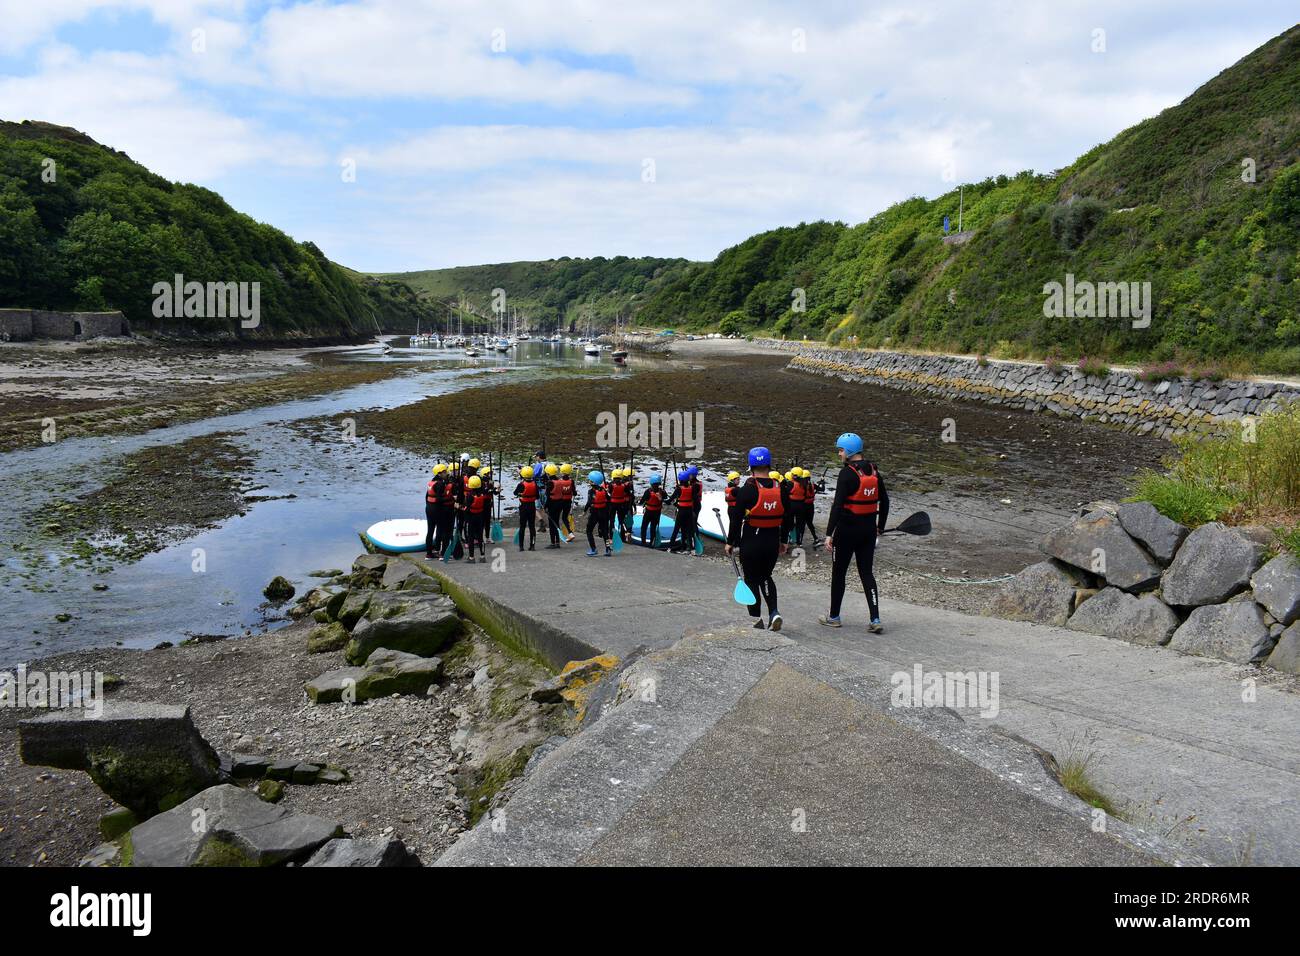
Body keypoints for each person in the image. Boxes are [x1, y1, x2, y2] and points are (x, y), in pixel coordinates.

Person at [820, 432, 889, 633]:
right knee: (866, 573)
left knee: (839, 573)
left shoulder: (847, 473)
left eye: (841, 450)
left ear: (849, 451)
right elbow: (885, 501)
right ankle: (875, 619)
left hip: (846, 532)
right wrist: (880, 527)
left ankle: (834, 617)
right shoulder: (874, 472)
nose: (839, 454)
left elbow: (838, 506)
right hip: (868, 532)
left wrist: (829, 533)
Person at [726, 446, 791, 630]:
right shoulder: (781, 488)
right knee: (766, 576)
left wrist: (731, 542)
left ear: (751, 466)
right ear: (769, 464)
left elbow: (736, 518)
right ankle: (774, 612)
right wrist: (784, 540)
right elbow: (788, 517)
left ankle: (756, 620)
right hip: (772, 541)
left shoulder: (748, 489)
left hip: (752, 541)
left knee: (751, 579)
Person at [666, 468, 698, 553]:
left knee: (676, 529)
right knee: (688, 530)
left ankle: (670, 548)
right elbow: (695, 499)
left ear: (680, 480)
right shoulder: (692, 488)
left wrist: (664, 500)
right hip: (689, 511)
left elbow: (670, 501)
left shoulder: (679, 489)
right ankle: (690, 548)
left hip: (681, 512)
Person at [463, 474, 492, 563]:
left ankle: (471, 557)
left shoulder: (469, 495)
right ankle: (482, 556)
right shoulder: (482, 494)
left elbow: (467, 508)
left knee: (471, 537)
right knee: (480, 537)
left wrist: (460, 508)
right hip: (480, 517)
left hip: (471, 518)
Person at [584, 470, 613, 556]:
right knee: (605, 532)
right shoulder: (604, 490)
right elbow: (609, 499)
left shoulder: (591, 491)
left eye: (590, 480)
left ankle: (593, 549)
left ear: (593, 482)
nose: (589, 481)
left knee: (589, 531)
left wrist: (584, 511)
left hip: (595, 513)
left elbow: (589, 503)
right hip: (603, 512)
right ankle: (608, 549)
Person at [424, 463, 448, 558]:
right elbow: (438, 499)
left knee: (430, 531)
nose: (446, 473)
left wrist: (430, 506)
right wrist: (450, 499)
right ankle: (438, 550)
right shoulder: (440, 484)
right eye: (444, 472)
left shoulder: (431, 482)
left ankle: (429, 553)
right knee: (440, 529)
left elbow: (426, 497)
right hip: (437, 509)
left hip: (429, 508)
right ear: (439, 474)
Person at [514, 465, 540, 551]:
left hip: (523, 506)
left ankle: (521, 547)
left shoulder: (521, 484)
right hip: (532, 506)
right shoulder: (535, 484)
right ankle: (532, 546)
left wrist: (521, 494)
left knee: (522, 526)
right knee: (532, 526)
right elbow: (537, 496)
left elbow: (515, 493)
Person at [638, 473, 664, 546]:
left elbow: (642, 501)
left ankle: (643, 542)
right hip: (657, 512)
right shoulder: (662, 491)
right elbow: (667, 500)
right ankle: (651, 542)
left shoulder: (648, 492)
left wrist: (639, 502)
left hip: (649, 512)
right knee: (653, 527)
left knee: (644, 527)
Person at [541, 463, 563, 548]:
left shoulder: (550, 483)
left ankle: (553, 543)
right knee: (556, 522)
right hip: (560, 504)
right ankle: (557, 542)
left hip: (552, 505)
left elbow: (548, 497)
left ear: (548, 474)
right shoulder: (560, 481)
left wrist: (545, 507)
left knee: (551, 524)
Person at [555, 464, 576, 543]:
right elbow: (574, 493)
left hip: (560, 502)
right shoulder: (571, 481)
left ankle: (558, 534)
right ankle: (570, 533)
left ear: (562, 472)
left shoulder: (559, 482)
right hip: (568, 502)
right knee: (564, 518)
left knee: (557, 517)